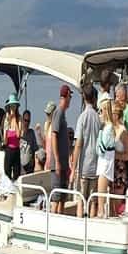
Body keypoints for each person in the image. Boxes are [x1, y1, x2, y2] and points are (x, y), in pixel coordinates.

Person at [71, 84, 100, 217]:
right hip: (95, 164)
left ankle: (79, 227)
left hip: (83, 166)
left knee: (80, 200)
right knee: (93, 201)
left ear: (84, 97)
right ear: (94, 98)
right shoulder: (98, 118)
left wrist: (73, 168)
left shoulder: (82, 117)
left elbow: (78, 144)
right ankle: (92, 226)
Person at [49, 85, 72, 213]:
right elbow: (54, 134)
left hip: (63, 164)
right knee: (56, 197)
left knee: (63, 197)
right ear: (67, 96)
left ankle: (60, 218)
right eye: (70, 96)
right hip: (58, 164)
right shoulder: (58, 112)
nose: (70, 100)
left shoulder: (63, 114)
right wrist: (57, 160)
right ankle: (52, 221)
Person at [96, 96, 117, 217]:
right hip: (106, 162)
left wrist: (99, 134)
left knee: (101, 195)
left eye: (100, 111)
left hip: (104, 164)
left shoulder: (107, 129)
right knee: (102, 194)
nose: (100, 114)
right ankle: (102, 212)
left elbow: (101, 150)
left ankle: (101, 213)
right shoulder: (109, 127)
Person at [3, 94, 22, 180]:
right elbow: (5, 141)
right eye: (11, 106)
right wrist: (7, 126)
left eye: (14, 106)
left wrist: (14, 119)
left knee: (17, 173)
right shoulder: (6, 120)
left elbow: (18, 135)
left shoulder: (19, 118)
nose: (13, 108)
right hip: (9, 149)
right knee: (7, 171)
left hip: (16, 150)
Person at [19, 109, 38, 175]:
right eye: (25, 120)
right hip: (20, 167)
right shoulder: (18, 133)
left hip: (29, 168)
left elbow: (35, 149)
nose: (26, 123)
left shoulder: (31, 133)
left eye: (28, 121)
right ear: (22, 120)